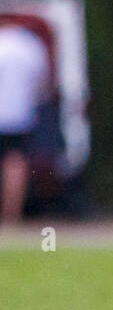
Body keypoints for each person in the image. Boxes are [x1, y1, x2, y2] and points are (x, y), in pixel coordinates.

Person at [0, 20, 51, 225]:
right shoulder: (31, 47)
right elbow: (43, 84)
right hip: (19, 116)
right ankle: (11, 216)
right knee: (15, 164)